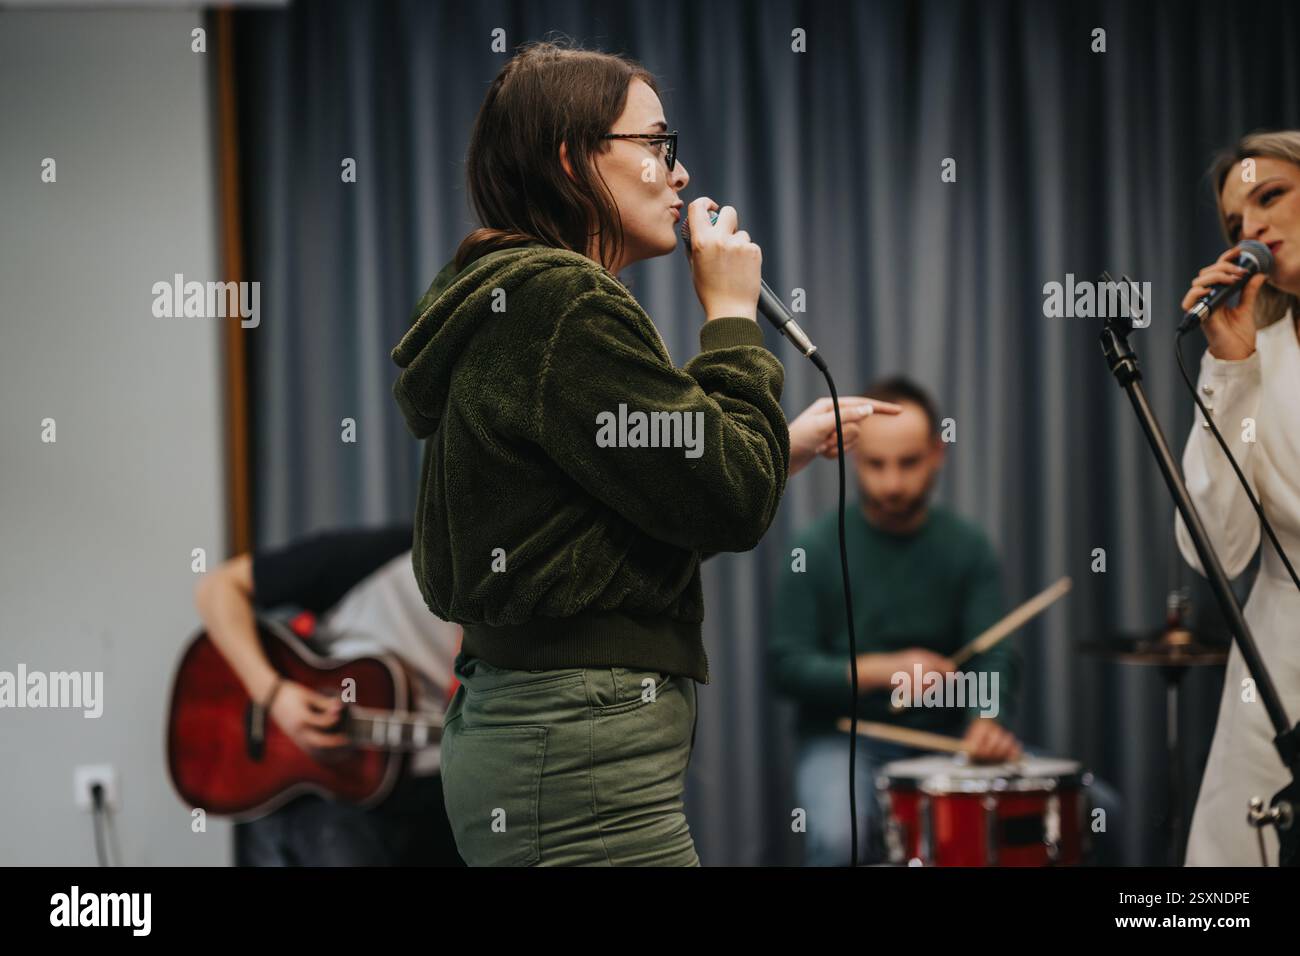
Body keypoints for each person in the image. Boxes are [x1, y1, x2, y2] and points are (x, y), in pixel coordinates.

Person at [389, 40, 894, 866]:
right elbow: (724, 501)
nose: (680, 173)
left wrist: (779, 446)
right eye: (657, 145)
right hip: (577, 745)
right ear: (572, 159)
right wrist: (731, 315)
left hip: (544, 732)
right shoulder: (562, 302)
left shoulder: (516, 299)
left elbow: (606, 516)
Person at [771, 376, 1122, 865]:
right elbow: (786, 667)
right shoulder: (815, 548)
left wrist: (987, 719)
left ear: (939, 452)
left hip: (951, 737)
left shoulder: (967, 547)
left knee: (1100, 808)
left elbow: (995, 653)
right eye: (875, 464)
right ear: (853, 457)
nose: (892, 482)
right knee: (836, 838)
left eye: (909, 463)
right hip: (844, 741)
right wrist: (883, 670)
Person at [193, 524, 464, 866]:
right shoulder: (379, 556)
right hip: (335, 798)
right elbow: (217, 588)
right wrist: (274, 695)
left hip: (440, 796)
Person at [1176, 130, 1300, 867]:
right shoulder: (1255, 356)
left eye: (1271, 196)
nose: (1250, 228)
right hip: (1282, 670)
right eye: (1233, 223)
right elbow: (1216, 552)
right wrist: (1228, 372)